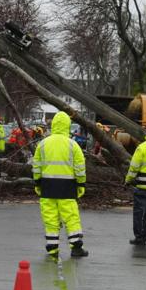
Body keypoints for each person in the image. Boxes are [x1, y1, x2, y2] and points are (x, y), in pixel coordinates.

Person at [32, 111, 88, 259]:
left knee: (50, 217)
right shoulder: (72, 145)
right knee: (70, 217)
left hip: (47, 186)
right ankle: (76, 247)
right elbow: (80, 167)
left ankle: (52, 248)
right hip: (67, 187)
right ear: (67, 126)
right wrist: (81, 184)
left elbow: (36, 165)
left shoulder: (42, 144)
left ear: (54, 125)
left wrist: (37, 182)